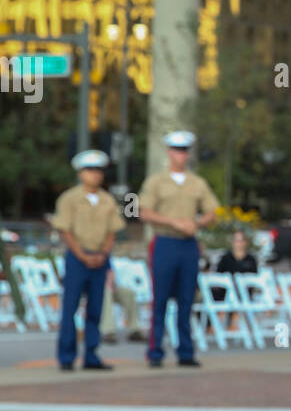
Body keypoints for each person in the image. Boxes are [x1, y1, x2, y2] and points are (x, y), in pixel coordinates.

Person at [138, 131, 218, 367]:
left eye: (184, 151)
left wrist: (197, 223)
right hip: (165, 241)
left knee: (186, 300)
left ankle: (185, 351)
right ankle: (155, 352)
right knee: (160, 299)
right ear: (169, 152)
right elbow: (143, 211)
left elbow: (212, 211)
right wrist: (173, 222)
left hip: (188, 245)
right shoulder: (156, 181)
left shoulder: (197, 182)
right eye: (177, 150)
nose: (180, 155)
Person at [52, 149, 124, 371]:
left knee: (95, 309)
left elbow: (113, 230)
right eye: (90, 170)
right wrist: (82, 255)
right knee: (70, 308)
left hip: (100, 258)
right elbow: (65, 231)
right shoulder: (69, 198)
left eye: (99, 171)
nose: (95, 175)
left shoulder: (107, 200)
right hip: (77, 257)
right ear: (80, 173)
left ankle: (91, 354)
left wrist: (103, 253)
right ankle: (66, 356)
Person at [99, 266, 146, 343]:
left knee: (129, 294)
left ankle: (135, 329)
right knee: (107, 292)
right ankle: (108, 331)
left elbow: (110, 272)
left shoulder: (105, 258)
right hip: (95, 288)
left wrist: (111, 282)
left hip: (109, 285)